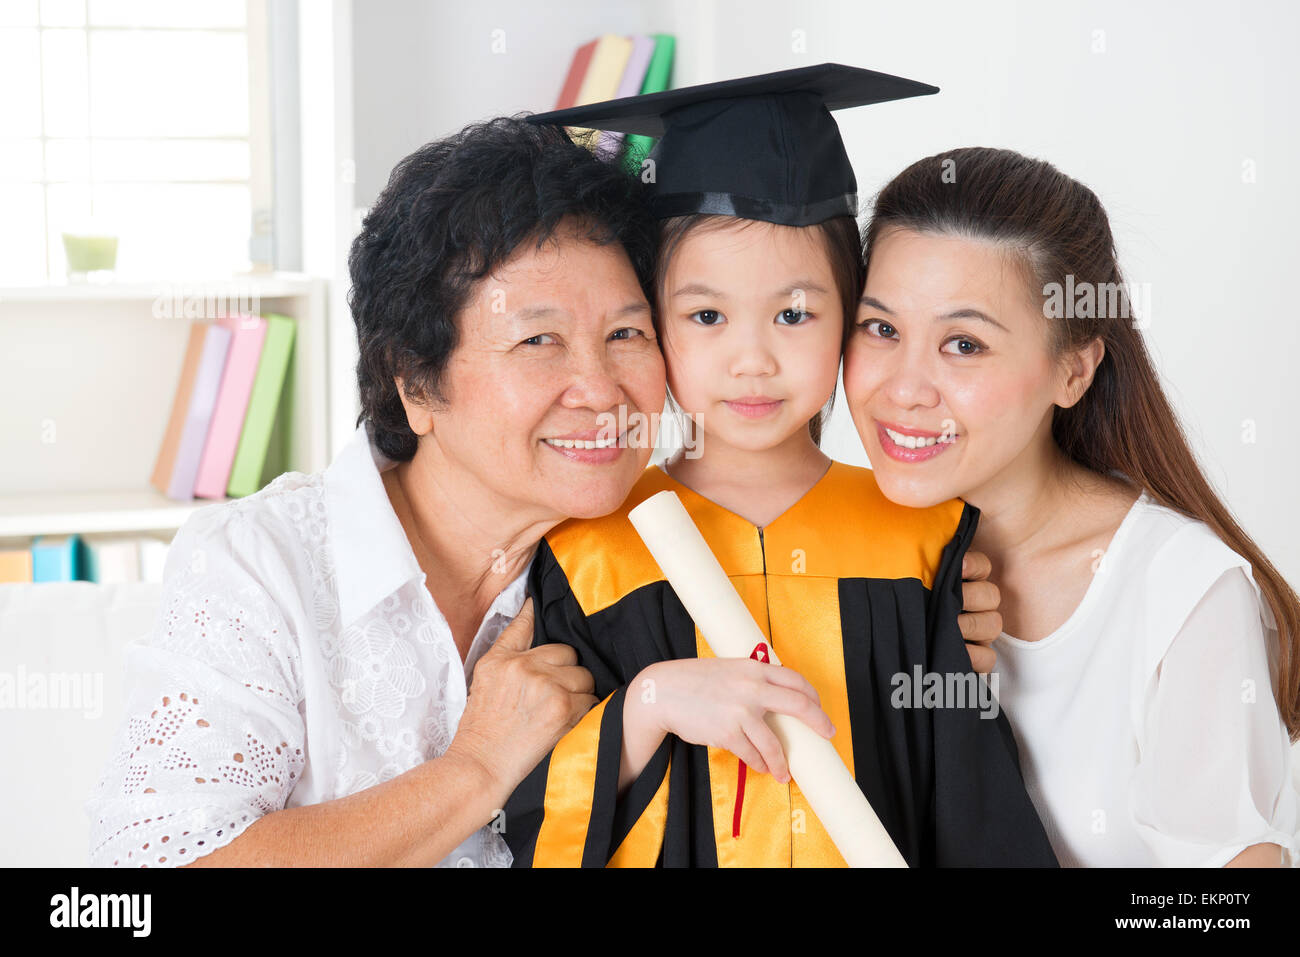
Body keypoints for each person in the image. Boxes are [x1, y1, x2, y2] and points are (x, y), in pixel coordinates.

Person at [502, 65, 1057, 867]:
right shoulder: (589, 553)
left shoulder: (923, 542)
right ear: (650, 323)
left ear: (853, 319)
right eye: (706, 315)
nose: (752, 360)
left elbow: (974, 807)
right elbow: (536, 813)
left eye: (795, 313)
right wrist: (646, 708)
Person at [85, 116, 666, 867]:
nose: (600, 388)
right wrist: (478, 767)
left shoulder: (652, 555)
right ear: (416, 381)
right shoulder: (263, 566)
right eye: (538, 340)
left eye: (628, 333)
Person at [843, 145, 1299, 867]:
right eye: (881, 328)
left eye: (963, 343)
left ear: (1073, 369)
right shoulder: (839, 558)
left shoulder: (1181, 595)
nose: (905, 387)